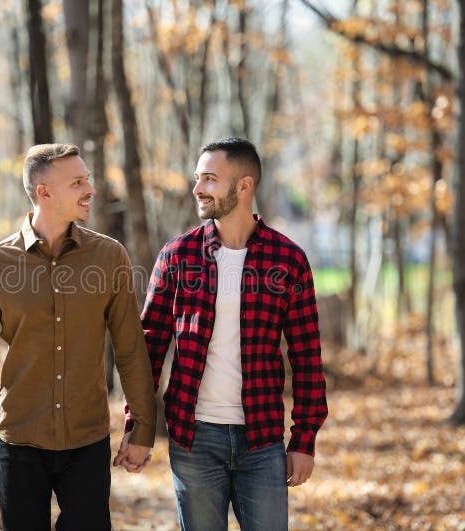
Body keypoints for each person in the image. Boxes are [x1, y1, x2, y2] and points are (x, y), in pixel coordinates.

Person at [117, 138, 328, 530]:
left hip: (262, 439)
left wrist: (304, 440)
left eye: (210, 178)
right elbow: (147, 347)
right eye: (198, 178)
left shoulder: (288, 260)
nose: (198, 188)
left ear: (244, 185)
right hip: (193, 439)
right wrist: (139, 426)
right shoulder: (178, 256)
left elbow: (307, 357)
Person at [0, 143, 157, 531]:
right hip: (19, 442)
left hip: (87, 441)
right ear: (44, 193)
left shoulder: (109, 257)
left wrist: (141, 427)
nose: (90, 189)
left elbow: (130, 350)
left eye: (87, 179)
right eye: (77, 182)